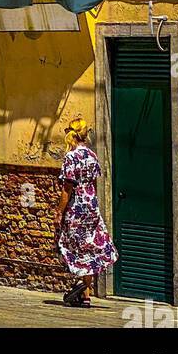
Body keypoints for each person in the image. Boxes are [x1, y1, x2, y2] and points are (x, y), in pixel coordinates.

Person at [52, 116, 119, 306]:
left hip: (76, 209)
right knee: (88, 247)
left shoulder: (71, 157)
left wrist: (59, 212)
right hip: (91, 206)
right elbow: (94, 183)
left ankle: (80, 286)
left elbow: (67, 188)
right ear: (85, 134)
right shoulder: (92, 155)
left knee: (71, 246)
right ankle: (86, 296)